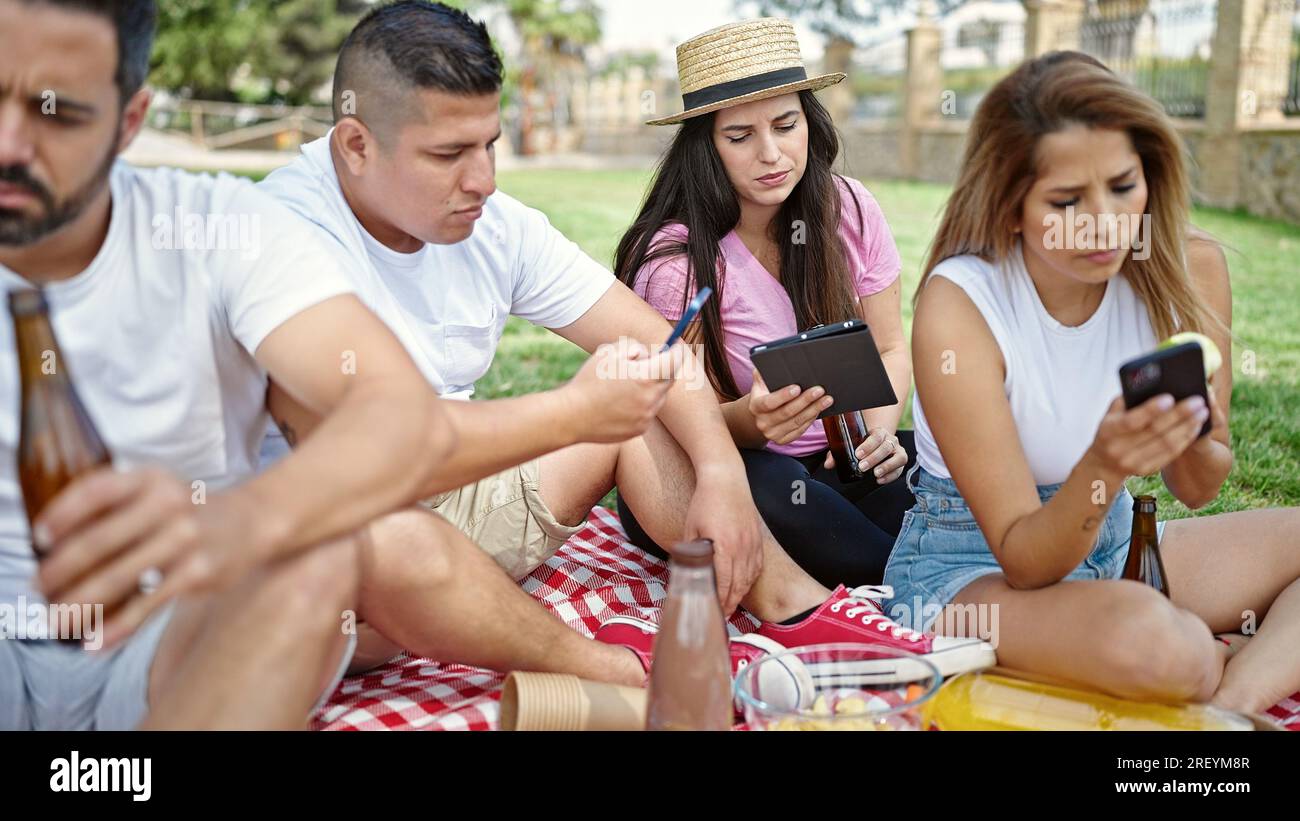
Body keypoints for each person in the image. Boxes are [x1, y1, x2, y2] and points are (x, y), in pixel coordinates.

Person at [257, 2, 996, 681]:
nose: (482, 179)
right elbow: (383, 453)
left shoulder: (494, 220)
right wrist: (579, 413)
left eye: (491, 143)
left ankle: (802, 613)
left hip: (469, 508)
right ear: (355, 144)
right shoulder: (284, 241)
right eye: (449, 154)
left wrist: (718, 472)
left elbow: (660, 349)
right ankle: (618, 668)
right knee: (396, 540)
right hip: (338, 553)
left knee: (641, 382)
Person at [0, 0, 457, 729]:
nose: (9, 143)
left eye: (59, 113)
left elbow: (398, 410)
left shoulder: (220, 228)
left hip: (170, 639)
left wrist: (247, 519)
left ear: (129, 121)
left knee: (316, 548)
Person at [886, 50, 1300, 712]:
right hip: (973, 573)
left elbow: (1197, 487)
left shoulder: (1188, 270)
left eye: (1122, 185)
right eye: (1066, 200)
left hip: (1115, 545)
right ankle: (1203, 674)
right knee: (1174, 650)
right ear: (1010, 204)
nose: (1104, 222)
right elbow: (1025, 558)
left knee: (1185, 645)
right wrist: (1107, 460)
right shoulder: (961, 304)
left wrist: (1191, 433)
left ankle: (1235, 707)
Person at [614, 17, 915, 589]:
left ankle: (902, 562)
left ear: (811, 121)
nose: (771, 153)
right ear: (706, 146)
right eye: (740, 136)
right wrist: (752, 422)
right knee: (791, 499)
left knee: (945, 471)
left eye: (786, 124)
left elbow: (889, 345)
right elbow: (670, 424)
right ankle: (909, 579)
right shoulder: (677, 260)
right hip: (721, 467)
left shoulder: (849, 209)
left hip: (837, 459)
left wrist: (877, 436)